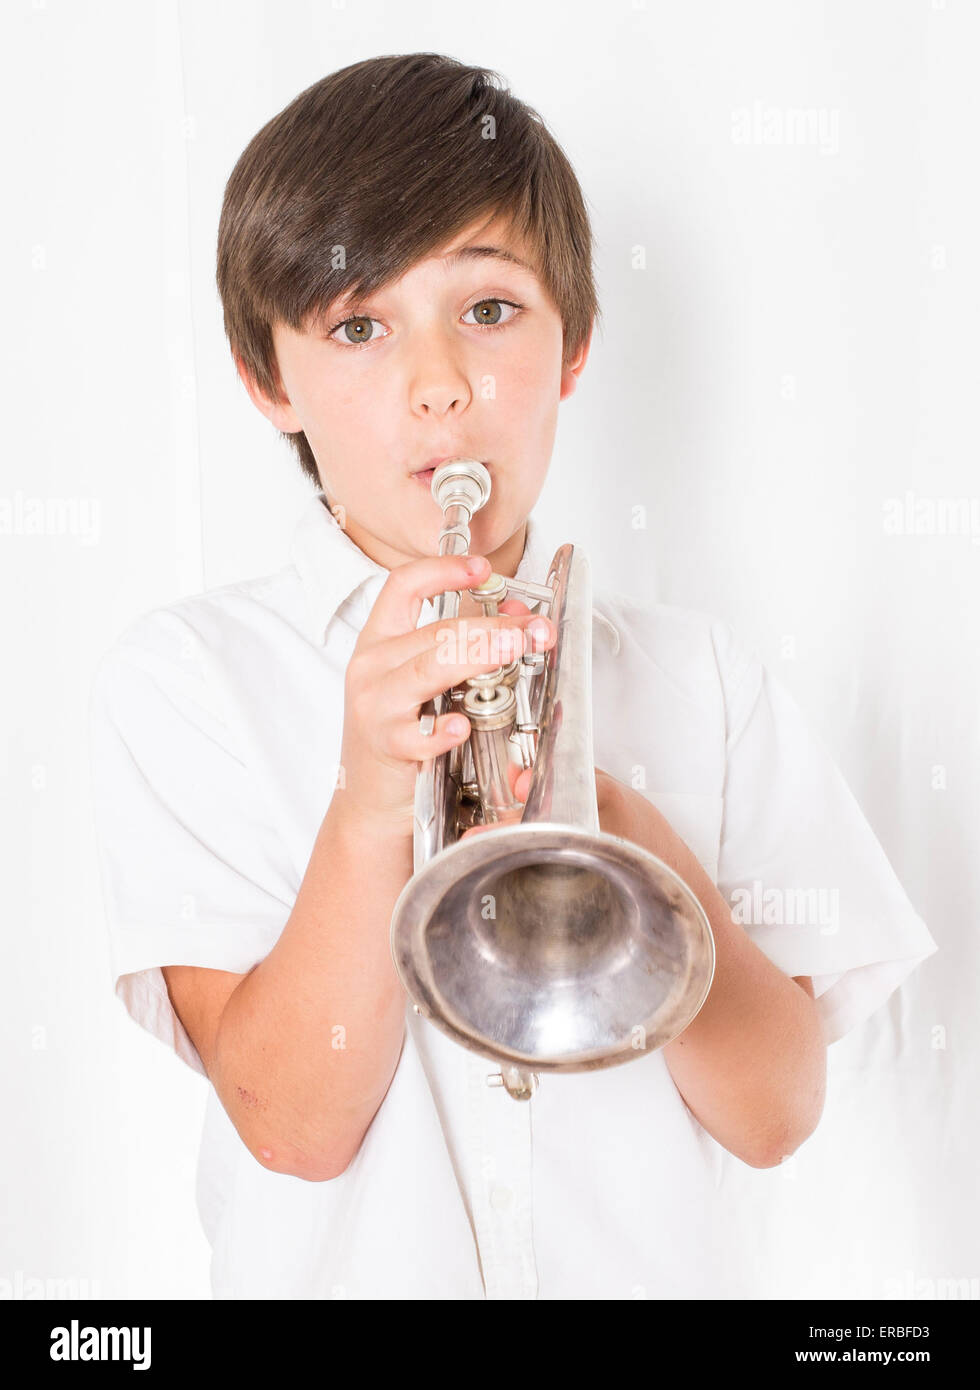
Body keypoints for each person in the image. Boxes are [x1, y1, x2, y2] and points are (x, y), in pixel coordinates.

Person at [88, 53, 937, 1300]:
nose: (439, 386)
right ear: (270, 382)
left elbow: (775, 1112)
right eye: (359, 327)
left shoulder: (699, 680)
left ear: (574, 343)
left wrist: (611, 824)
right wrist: (375, 797)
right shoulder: (190, 682)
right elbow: (292, 1125)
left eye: (488, 312)